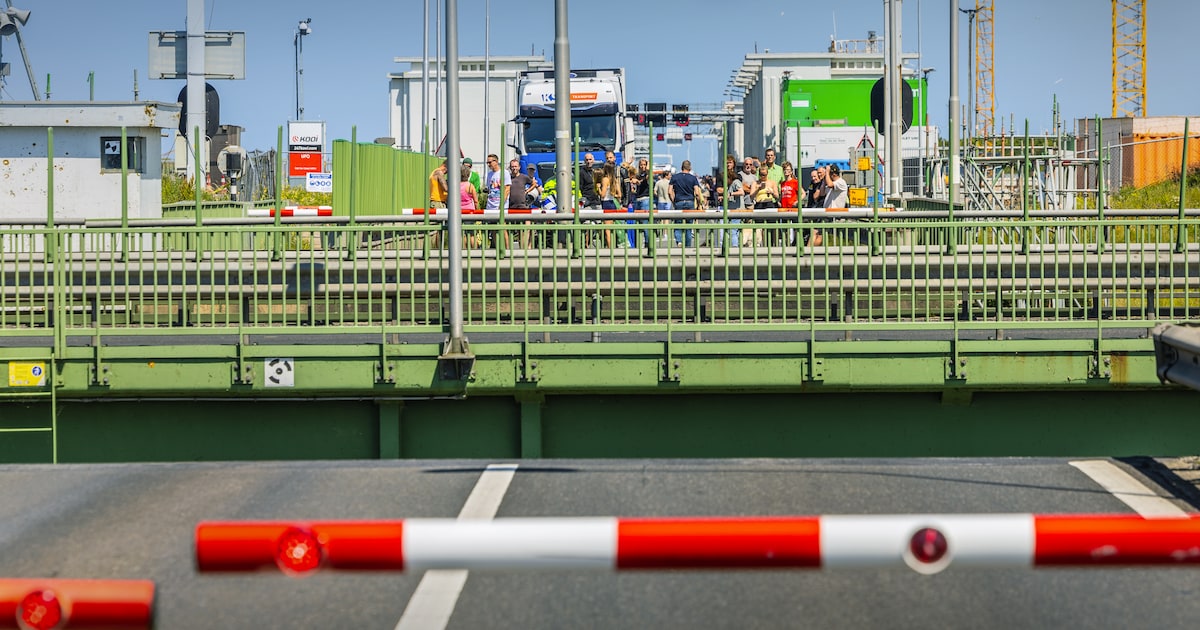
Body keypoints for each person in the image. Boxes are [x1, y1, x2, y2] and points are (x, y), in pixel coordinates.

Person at [668, 160, 701, 247]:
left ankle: (679, 241)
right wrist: (698, 203)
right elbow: (697, 193)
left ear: (681, 167)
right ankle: (687, 246)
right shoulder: (693, 178)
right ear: (690, 168)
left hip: (679, 201)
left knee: (678, 223)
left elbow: (669, 191)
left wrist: (673, 201)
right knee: (689, 226)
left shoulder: (674, 177)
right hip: (690, 202)